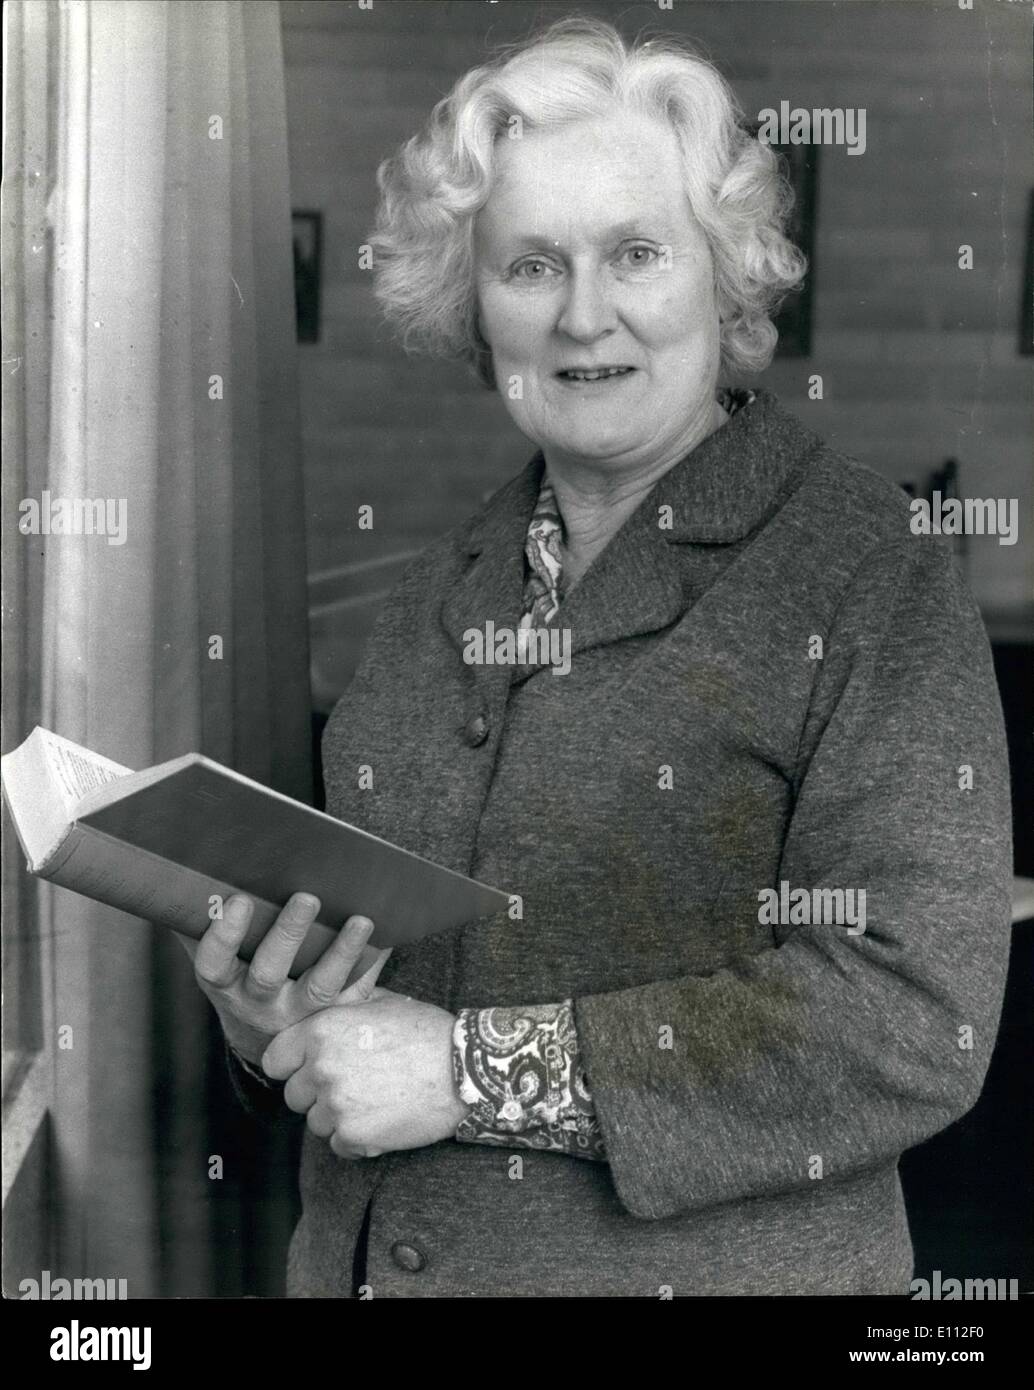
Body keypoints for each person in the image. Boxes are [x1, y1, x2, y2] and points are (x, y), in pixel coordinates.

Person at [188, 18, 1012, 1296]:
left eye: (635, 253)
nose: (583, 315)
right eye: (528, 266)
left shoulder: (866, 570)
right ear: (473, 306)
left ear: (725, 280)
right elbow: (392, 997)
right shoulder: (435, 594)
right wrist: (277, 1021)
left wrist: (468, 1072)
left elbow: (913, 1016)